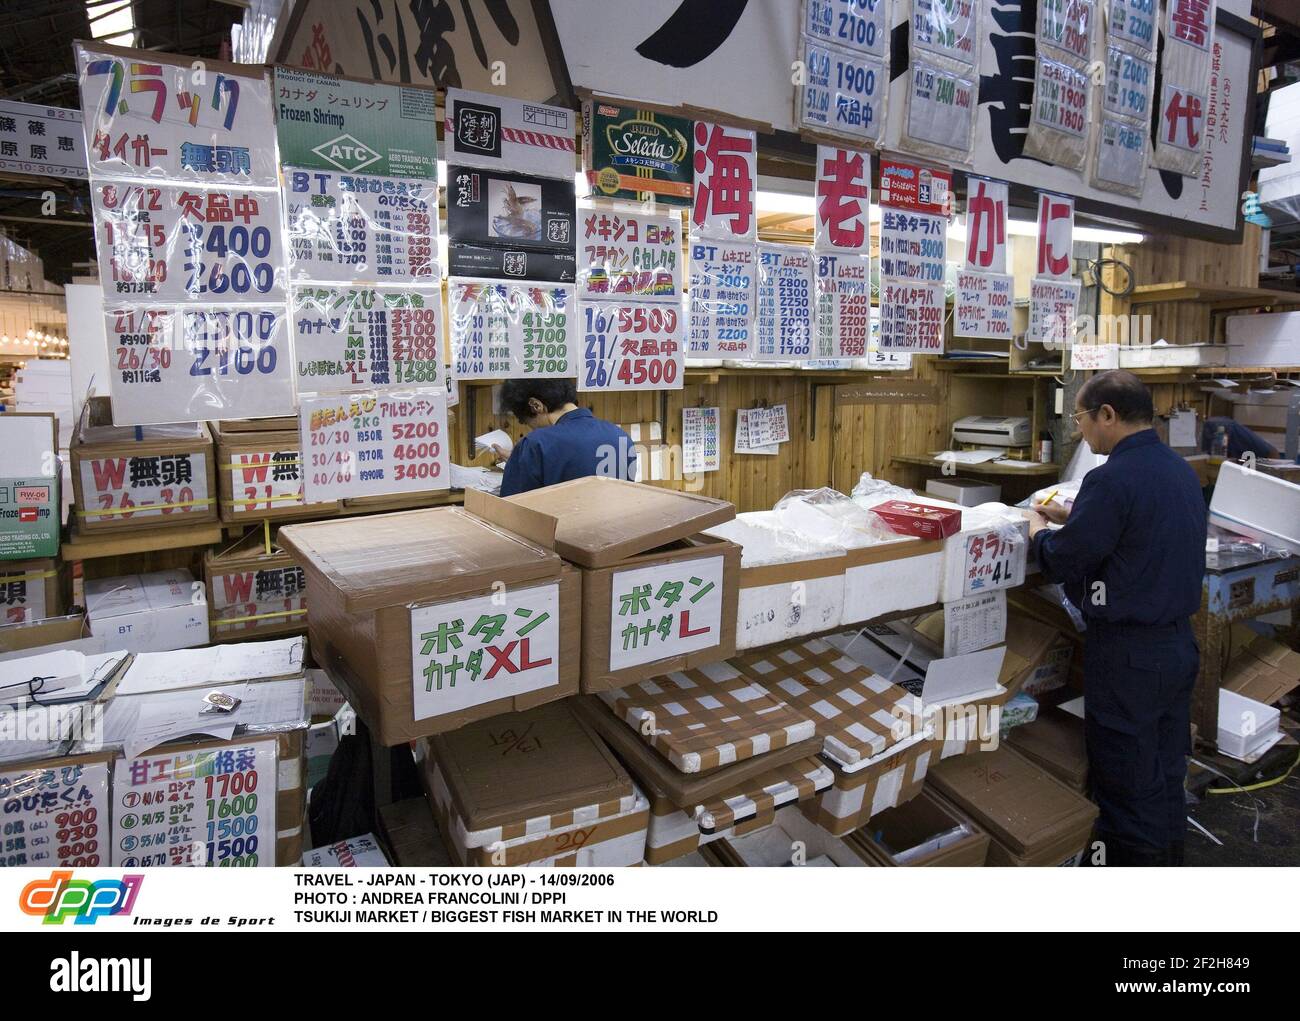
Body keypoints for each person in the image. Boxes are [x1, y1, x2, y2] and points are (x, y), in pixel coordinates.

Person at [1028, 370, 1207, 867]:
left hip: (1130, 655)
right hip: (1175, 647)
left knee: (1125, 782)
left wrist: (1039, 530)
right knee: (1165, 771)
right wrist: (1081, 518)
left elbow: (1065, 561)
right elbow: (1136, 536)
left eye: (1082, 419)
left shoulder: (1109, 479)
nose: (1081, 431)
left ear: (1107, 414)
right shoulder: (1179, 470)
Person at [495, 378, 637, 497]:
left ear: (536, 405)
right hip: (621, 528)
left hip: (564, 529)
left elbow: (512, 512)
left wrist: (522, 461)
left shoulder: (537, 443)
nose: (530, 428)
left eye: (525, 421)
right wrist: (520, 461)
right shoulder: (620, 435)